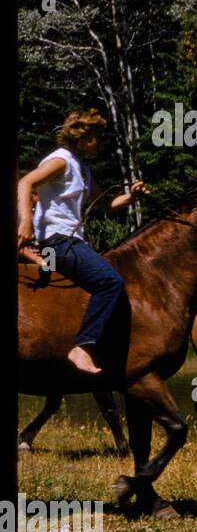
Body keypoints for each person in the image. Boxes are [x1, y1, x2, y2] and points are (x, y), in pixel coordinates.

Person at [16, 108, 148, 374]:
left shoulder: (83, 170)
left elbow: (106, 204)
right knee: (110, 282)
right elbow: (25, 183)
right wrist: (26, 221)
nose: (100, 142)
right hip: (57, 240)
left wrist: (132, 196)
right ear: (83, 136)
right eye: (97, 136)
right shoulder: (61, 160)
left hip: (73, 241)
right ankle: (82, 346)